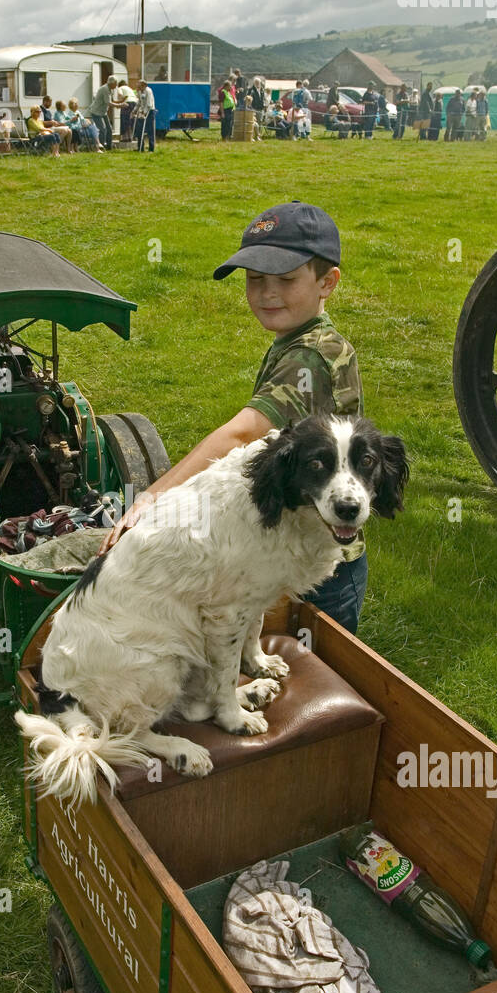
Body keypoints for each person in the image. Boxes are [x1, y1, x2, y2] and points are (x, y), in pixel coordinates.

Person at [99, 201, 369, 633]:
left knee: (309, 666)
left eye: (285, 279)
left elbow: (243, 433)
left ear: (327, 282)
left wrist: (151, 500)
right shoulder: (300, 338)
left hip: (321, 567)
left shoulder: (310, 356)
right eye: (255, 279)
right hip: (299, 539)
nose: (267, 293)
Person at [89, 75, 121, 150]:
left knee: (109, 129)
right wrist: (120, 105)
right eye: (116, 83)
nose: (116, 85)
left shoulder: (110, 89)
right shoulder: (105, 89)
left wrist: (120, 102)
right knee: (102, 129)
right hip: (96, 112)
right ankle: (101, 147)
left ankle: (109, 146)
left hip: (103, 112)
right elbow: (108, 102)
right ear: (112, 83)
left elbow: (111, 101)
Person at [133, 78, 156, 152]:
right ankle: (140, 147)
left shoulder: (148, 91)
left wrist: (144, 112)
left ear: (144, 86)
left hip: (150, 111)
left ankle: (151, 149)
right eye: (138, 86)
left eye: (139, 86)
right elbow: (139, 102)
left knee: (150, 131)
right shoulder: (139, 91)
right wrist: (134, 111)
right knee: (139, 130)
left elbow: (149, 104)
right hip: (142, 111)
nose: (138, 87)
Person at [219, 75, 236, 140]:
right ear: (226, 86)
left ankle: (228, 136)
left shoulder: (228, 92)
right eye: (230, 86)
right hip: (226, 110)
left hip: (230, 110)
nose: (231, 87)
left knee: (229, 124)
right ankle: (224, 136)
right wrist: (222, 113)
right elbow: (221, 103)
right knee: (225, 124)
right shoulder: (223, 92)